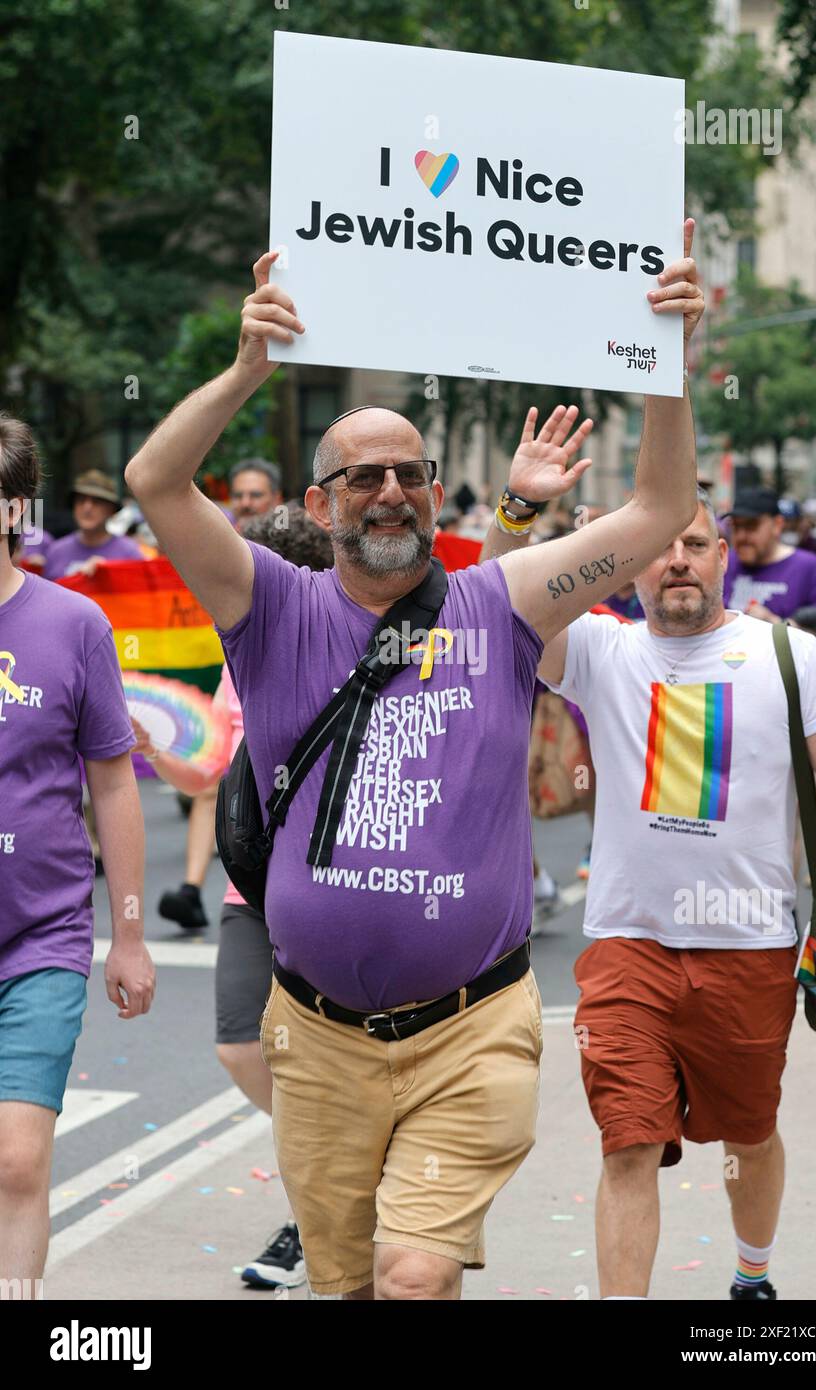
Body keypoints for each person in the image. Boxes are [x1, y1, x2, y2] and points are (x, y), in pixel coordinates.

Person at [124, 220, 703, 1300]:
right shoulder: (269, 605)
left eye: (409, 473)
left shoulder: (504, 601)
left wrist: (666, 358)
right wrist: (250, 367)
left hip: (469, 1032)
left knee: (414, 1276)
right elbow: (156, 479)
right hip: (314, 1040)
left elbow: (658, 509)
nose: (388, 490)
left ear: (435, 494)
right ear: (318, 506)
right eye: (361, 478)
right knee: (344, 1287)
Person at [484, 478, 816, 1301]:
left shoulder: (787, 656)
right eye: (657, 547)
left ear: (723, 557)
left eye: (695, 544)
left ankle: (751, 1275)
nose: (677, 561)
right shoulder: (599, 649)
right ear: (626, 567)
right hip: (629, 945)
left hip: (750, 948)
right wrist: (517, 510)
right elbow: (498, 600)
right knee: (626, 1144)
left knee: (750, 1133)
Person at [132, 507, 333, 1290]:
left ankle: (312, 1213)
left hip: (324, 890)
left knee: (327, 1061)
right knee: (237, 1044)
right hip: (253, 890)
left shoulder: (339, 655)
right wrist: (156, 752)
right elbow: (211, 777)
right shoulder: (234, 657)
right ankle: (328, 1173)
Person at [0, 416, 155, 1296]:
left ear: (15, 508)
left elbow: (115, 784)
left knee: (18, 1162)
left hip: (40, 940)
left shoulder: (72, 624)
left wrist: (128, 936)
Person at [158, 458, 287, 930]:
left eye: (257, 494)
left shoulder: (300, 546)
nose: (248, 502)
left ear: (277, 498)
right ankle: (193, 888)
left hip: (284, 680)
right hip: (232, 677)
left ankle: (286, 886)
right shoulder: (220, 547)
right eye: (240, 494)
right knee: (212, 771)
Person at [723, 485, 816, 654]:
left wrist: (775, 624)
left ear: (777, 524)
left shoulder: (809, 568)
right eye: (736, 526)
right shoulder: (723, 563)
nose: (742, 536)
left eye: (751, 526)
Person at [42, 469, 144, 580]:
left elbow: (142, 593)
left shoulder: (129, 552)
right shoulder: (56, 552)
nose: (87, 508)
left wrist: (110, 572)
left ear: (111, 510)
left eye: (97, 502)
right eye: (81, 500)